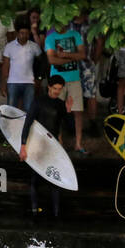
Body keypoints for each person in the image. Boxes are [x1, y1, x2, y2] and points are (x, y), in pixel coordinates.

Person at [21, 73, 68, 218]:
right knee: (36, 179)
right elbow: (27, 123)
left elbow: (61, 124)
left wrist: (60, 140)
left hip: (53, 146)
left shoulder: (60, 104)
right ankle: (35, 210)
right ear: (49, 87)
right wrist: (23, 146)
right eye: (55, 88)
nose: (57, 91)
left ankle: (56, 213)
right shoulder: (38, 102)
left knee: (55, 179)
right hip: (38, 144)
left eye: (60, 89)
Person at [45, 20, 86, 153]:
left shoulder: (75, 35)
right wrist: (72, 58)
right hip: (58, 80)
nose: (58, 25)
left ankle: (78, 144)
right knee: (57, 111)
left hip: (74, 79)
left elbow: (82, 55)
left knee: (78, 112)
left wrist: (64, 55)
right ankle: (59, 143)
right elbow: (51, 60)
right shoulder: (50, 38)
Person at [2, 24, 40, 114]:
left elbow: (40, 64)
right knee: (11, 111)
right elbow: (5, 66)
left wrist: (39, 79)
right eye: (22, 33)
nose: (24, 35)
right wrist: (3, 85)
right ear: (17, 34)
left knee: (29, 110)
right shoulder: (9, 46)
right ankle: (11, 128)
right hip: (12, 82)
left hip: (29, 83)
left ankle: (26, 128)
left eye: (26, 33)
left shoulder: (34, 46)